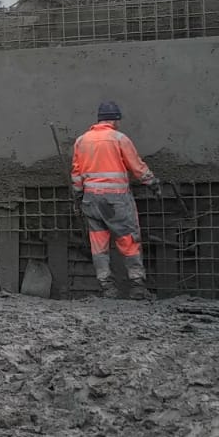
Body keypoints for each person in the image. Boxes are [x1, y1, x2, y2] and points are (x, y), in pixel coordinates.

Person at [71, 101, 158, 299]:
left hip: (91, 200)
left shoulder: (81, 141)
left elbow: (76, 173)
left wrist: (78, 193)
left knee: (98, 243)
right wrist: (152, 182)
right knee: (128, 239)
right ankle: (137, 285)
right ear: (115, 119)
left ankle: (106, 287)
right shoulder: (119, 139)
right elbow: (137, 167)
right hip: (116, 201)